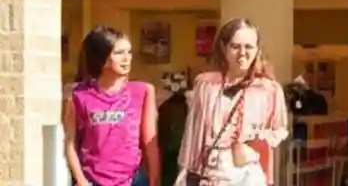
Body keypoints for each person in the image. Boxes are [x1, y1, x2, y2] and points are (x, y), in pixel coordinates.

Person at [177, 18, 290, 186]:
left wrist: (253, 143)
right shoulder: (207, 85)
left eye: (249, 47)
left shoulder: (269, 90)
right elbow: (193, 132)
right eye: (235, 46)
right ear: (224, 48)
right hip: (212, 173)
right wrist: (185, 173)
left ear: (258, 49)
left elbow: (279, 130)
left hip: (249, 173)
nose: (242, 53)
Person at [64, 26, 160, 186]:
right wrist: (80, 180)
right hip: (92, 180)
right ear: (101, 58)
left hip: (132, 181)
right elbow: (70, 144)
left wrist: (154, 179)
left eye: (129, 52)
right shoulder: (78, 97)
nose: (126, 58)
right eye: (118, 53)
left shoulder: (142, 91)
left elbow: (150, 142)